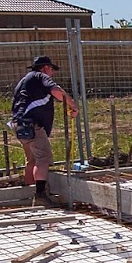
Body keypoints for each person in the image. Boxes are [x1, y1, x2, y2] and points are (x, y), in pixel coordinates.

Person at [11, 55, 77, 204]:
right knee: (43, 159)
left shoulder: (24, 81)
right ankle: (40, 195)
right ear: (45, 67)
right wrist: (73, 106)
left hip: (19, 125)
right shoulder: (41, 77)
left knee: (32, 160)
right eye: (52, 69)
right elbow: (57, 91)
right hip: (32, 126)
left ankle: (29, 192)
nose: (52, 72)